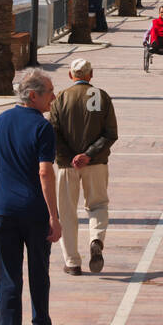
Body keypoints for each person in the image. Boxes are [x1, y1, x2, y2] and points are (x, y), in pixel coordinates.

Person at [0, 70, 66, 325]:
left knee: (8, 277)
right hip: (33, 211)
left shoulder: (0, 120)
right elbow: (45, 172)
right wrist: (54, 217)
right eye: (49, 91)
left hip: (4, 210)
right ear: (33, 95)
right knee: (38, 272)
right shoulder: (43, 128)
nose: (53, 97)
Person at [49, 58, 118, 276]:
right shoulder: (102, 96)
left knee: (67, 211)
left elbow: (53, 132)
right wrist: (88, 155)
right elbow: (110, 134)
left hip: (67, 164)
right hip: (96, 162)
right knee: (98, 204)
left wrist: (72, 157)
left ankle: (72, 262)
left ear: (71, 75)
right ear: (91, 74)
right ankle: (96, 238)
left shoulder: (61, 98)